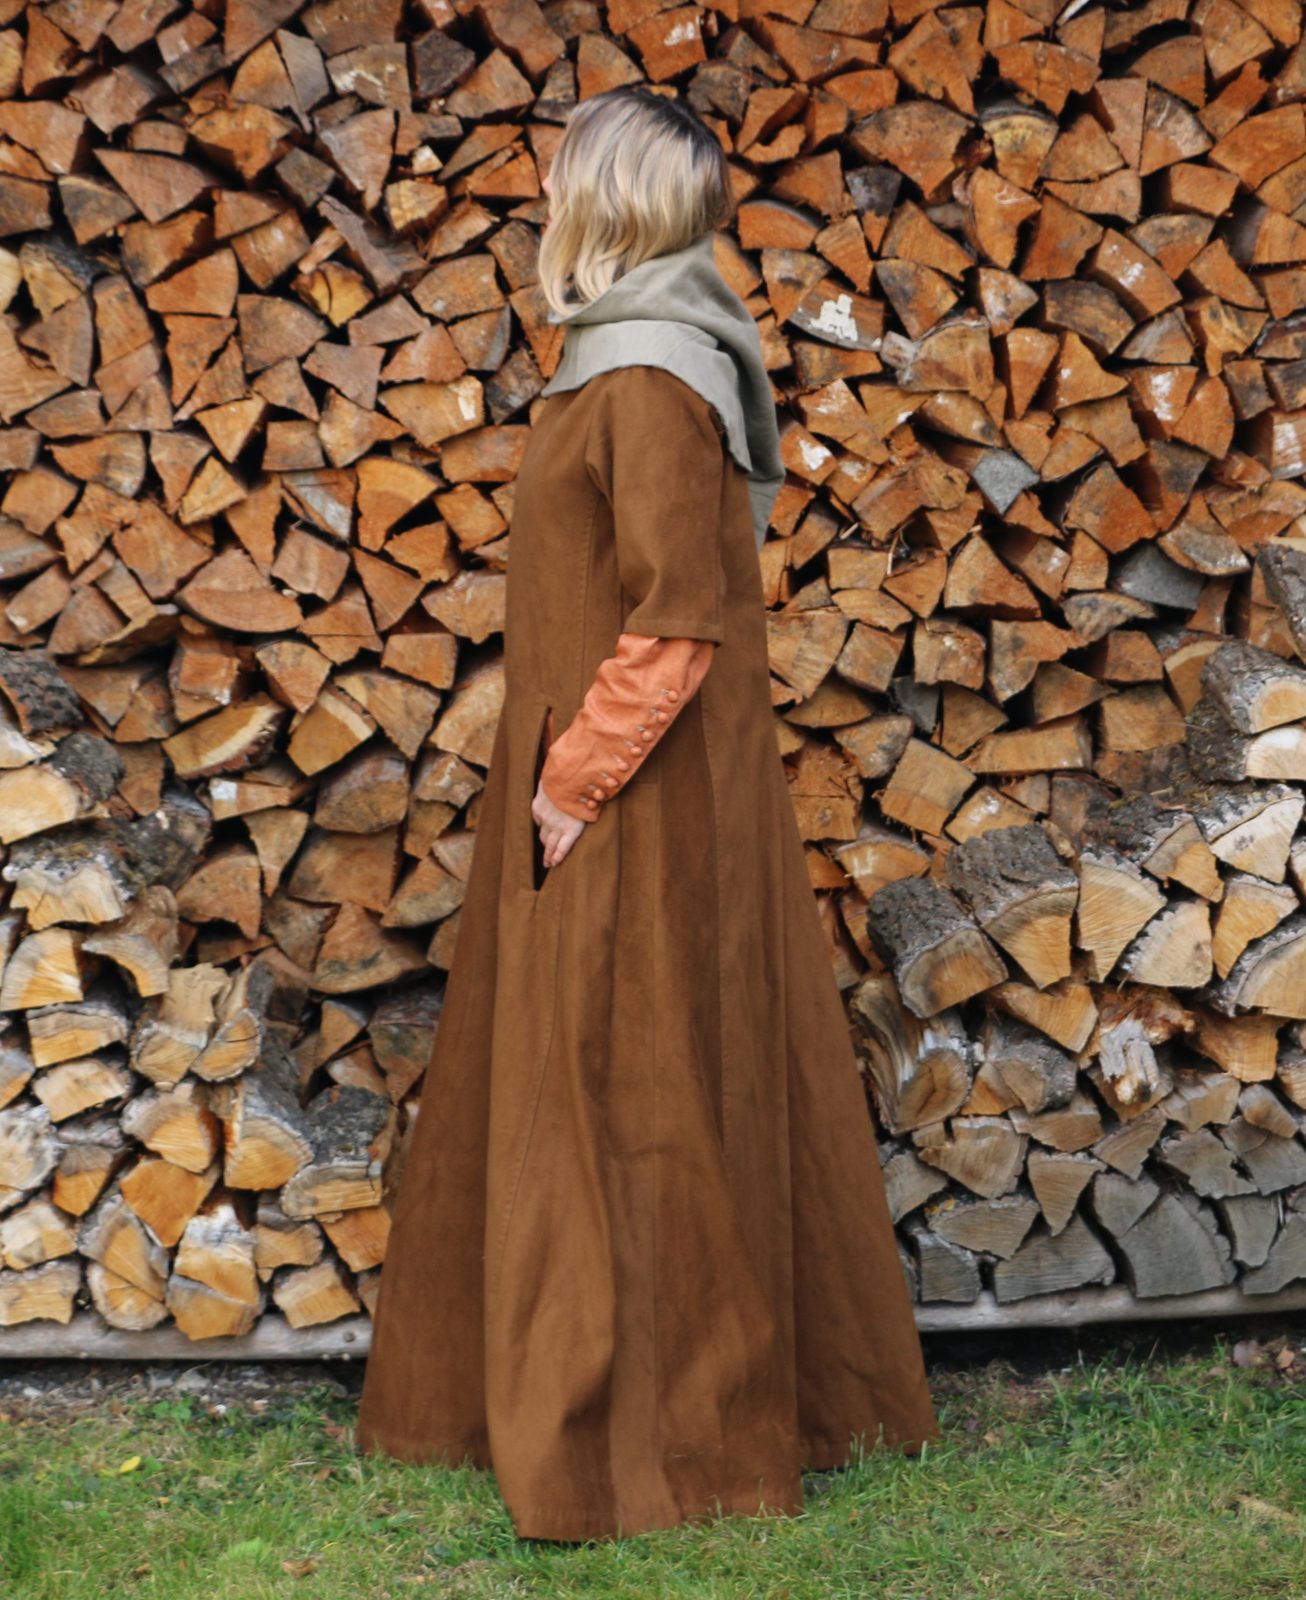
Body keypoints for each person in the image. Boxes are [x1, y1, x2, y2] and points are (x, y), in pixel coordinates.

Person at [355, 83, 940, 1543]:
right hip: (618, 782)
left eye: (565, 175)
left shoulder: (647, 377)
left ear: (607, 199)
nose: (548, 195)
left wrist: (572, 784)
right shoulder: (626, 356)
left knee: (631, 1096)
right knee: (617, 1079)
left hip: (628, 793)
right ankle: (567, 1399)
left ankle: (663, 1441)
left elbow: (676, 621)